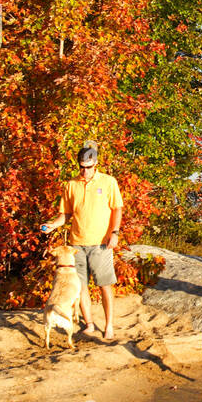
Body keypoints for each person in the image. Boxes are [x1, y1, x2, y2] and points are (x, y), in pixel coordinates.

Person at [40, 141, 124, 341]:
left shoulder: (108, 182)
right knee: (82, 286)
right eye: (81, 167)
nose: (84, 171)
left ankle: (109, 325)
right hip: (76, 245)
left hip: (101, 243)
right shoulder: (71, 185)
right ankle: (89, 325)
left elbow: (117, 209)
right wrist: (52, 225)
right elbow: (65, 215)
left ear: (95, 164)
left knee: (104, 285)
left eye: (88, 167)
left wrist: (115, 232)